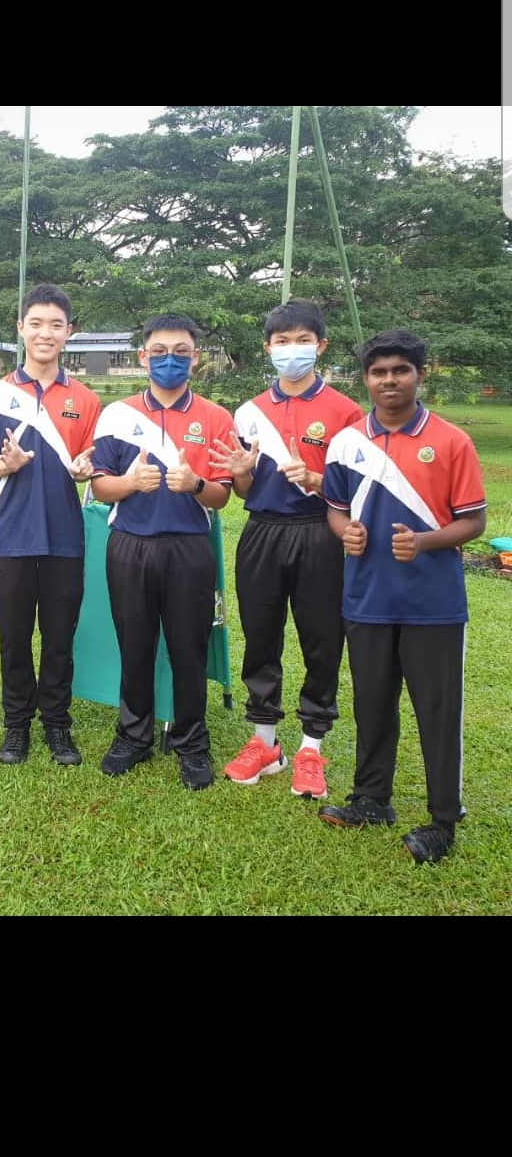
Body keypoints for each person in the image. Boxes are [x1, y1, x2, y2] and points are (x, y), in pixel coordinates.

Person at [320, 330, 487, 864]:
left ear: (420, 374)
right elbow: (334, 506)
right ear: (366, 379)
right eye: (379, 372)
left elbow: (474, 521)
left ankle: (444, 819)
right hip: (365, 598)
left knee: (437, 710)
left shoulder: (452, 440)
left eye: (400, 371)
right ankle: (371, 798)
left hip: (432, 605)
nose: (389, 381)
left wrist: (425, 541)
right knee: (372, 704)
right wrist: (343, 529)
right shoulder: (347, 442)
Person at [211, 299, 364, 799]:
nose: (290, 350)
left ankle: (311, 747)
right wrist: (241, 472)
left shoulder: (345, 411)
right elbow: (241, 491)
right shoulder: (250, 412)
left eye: (302, 341)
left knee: (321, 640)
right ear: (267, 348)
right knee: (261, 636)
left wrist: (318, 479)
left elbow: (360, 490)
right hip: (262, 533)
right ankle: (264, 742)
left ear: (320, 346)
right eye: (281, 342)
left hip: (320, 531)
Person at [89, 313, 235, 787]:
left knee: (189, 647)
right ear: (142, 356)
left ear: (195, 358)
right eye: (159, 351)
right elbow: (101, 488)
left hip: (189, 550)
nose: (168, 359)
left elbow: (222, 496)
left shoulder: (215, 417)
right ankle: (133, 736)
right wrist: (130, 482)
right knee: (135, 645)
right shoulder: (117, 414)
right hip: (129, 547)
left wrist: (195, 484)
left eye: (180, 352)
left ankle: (193, 743)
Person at [0, 283, 101, 766]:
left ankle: (58, 725)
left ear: (70, 333)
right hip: (10, 537)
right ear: (21, 329)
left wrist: (87, 470)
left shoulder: (86, 399)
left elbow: (92, 465)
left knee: (60, 638)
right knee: (14, 637)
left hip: (65, 537)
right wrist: (9, 465)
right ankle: (16, 725)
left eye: (56, 325)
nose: (46, 333)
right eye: (36, 323)